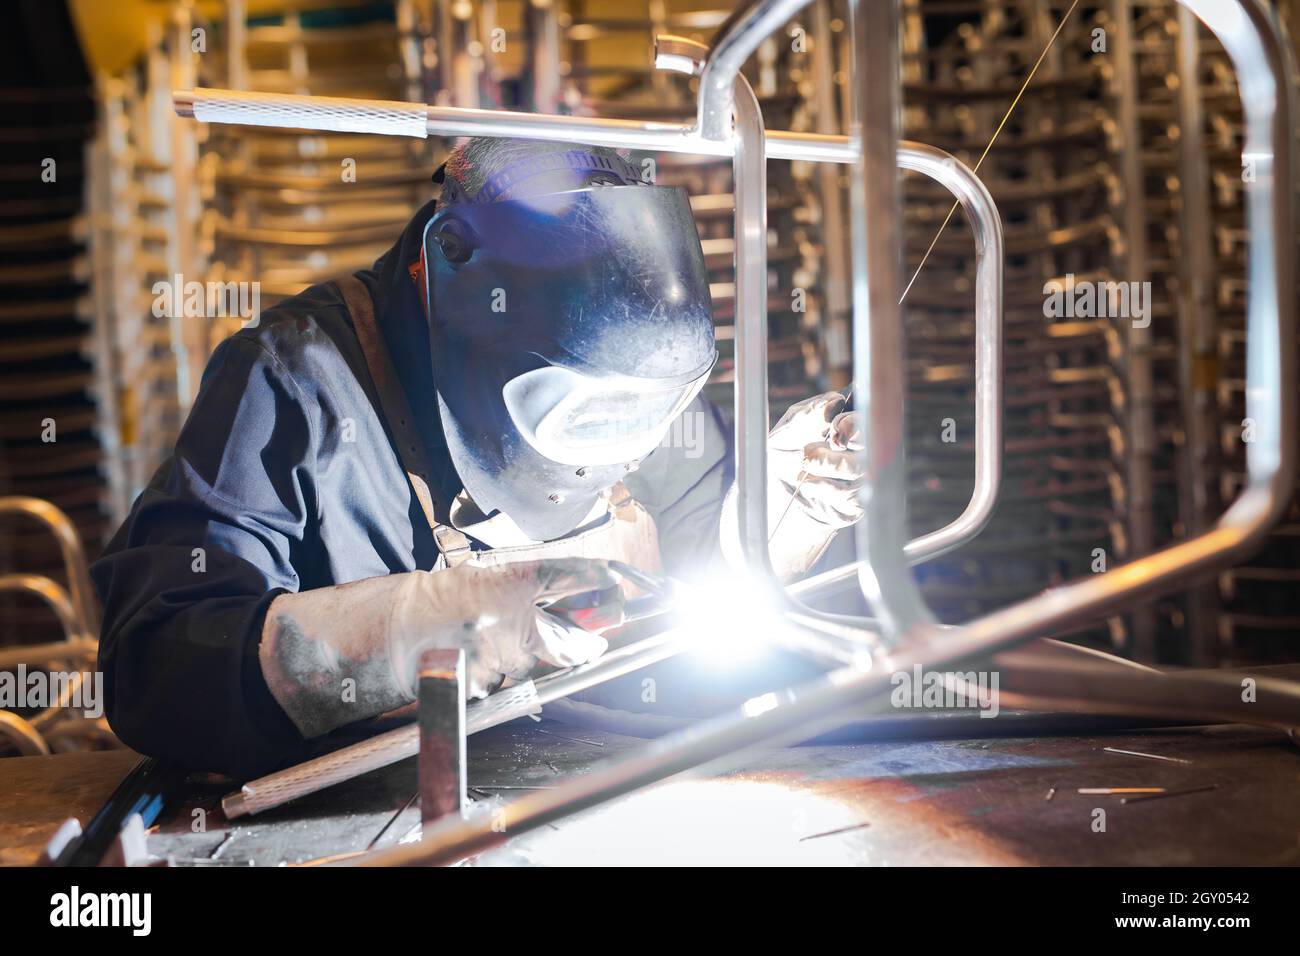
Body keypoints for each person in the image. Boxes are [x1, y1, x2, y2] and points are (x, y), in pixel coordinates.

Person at [91, 138, 864, 777]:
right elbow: (154, 672)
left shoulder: (638, 371)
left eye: (648, 411)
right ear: (450, 270)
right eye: (579, 405)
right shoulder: (294, 384)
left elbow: (699, 589)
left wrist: (782, 518)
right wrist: (426, 629)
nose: (622, 443)